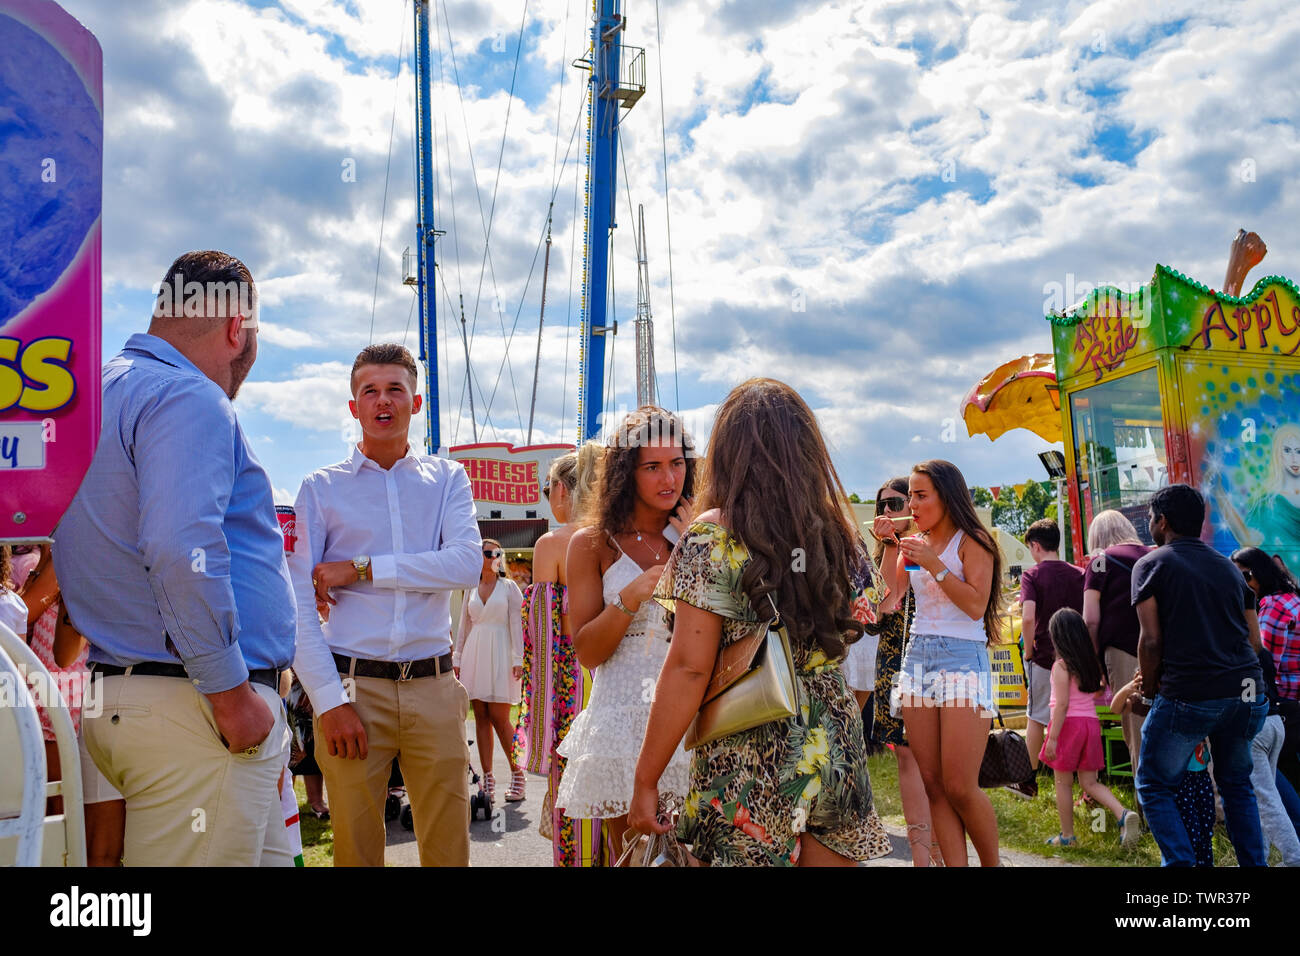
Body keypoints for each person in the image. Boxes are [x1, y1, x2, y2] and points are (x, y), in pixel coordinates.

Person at [53, 250, 295, 867]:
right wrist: (230, 694)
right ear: (237, 328)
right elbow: (179, 546)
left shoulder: (92, 394)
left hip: (130, 696)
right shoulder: (187, 395)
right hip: (194, 710)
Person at [628, 380, 893, 866]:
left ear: (728, 454)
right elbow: (863, 624)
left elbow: (689, 667)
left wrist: (646, 781)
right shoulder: (841, 535)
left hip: (750, 741)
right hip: (833, 734)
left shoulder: (711, 536)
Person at [289, 343, 482, 867]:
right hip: (353, 688)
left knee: (449, 850)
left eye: (395, 388)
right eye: (369, 390)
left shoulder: (447, 480)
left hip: (435, 686)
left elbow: (465, 564)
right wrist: (328, 702)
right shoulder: (320, 489)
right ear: (353, 407)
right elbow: (299, 606)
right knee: (356, 852)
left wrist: (362, 568)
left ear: (415, 402)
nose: (383, 400)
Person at [558, 406, 693, 860]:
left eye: (676, 463)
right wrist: (629, 597)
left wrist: (698, 542)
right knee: (634, 856)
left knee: (699, 852)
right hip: (620, 721)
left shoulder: (703, 533)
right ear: (625, 472)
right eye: (652, 466)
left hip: (692, 715)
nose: (668, 478)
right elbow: (588, 651)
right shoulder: (591, 543)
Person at [1133, 484, 1269, 867]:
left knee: (1154, 784)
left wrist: (1149, 689)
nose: (1149, 523)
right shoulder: (1229, 567)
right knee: (1237, 785)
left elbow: (1151, 640)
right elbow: (1254, 642)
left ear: (1162, 521)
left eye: (1151, 516)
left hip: (1189, 692)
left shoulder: (1152, 564)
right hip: (1247, 691)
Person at [876, 459, 1002, 867]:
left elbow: (974, 606)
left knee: (960, 786)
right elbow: (888, 600)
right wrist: (891, 547)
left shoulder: (973, 540)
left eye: (919, 495)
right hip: (917, 659)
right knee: (933, 785)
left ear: (946, 496)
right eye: (909, 495)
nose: (910, 504)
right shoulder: (914, 541)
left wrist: (934, 563)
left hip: (962, 658)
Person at [519, 446, 605, 865]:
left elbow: (542, 639)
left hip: (571, 685)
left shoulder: (552, 545)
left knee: (572, 793)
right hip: (615, 679)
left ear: (563, 491)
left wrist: (539, 720)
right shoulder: (621, 539)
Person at [863, 477, 940, 866]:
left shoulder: (928, 544)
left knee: (934, 764)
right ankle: (922, 859)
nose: (888, 512)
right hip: (893, 662)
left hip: (931, 659)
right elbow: (879, 612)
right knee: (907, 759)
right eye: (881, 506)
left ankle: (944, 852)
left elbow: (901, 596)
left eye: (896, 503)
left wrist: (897, 545)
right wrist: (888, 548)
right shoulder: (884, 551)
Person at [1037, 610, 1140, 848]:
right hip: (1090, 725)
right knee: (1090, 783)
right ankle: (1122, 814)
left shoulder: (1061, 667)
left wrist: (1052, 738)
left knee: (1063, 783)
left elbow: (1062, 705)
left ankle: (1067, 837)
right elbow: (1096, 693)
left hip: (1067, 727)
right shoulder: (1090, 666)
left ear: (1058, 638)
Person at [1230, 548, 1300, 863]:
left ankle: (1293, 852)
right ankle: (1266, 853)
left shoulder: (1270, 606)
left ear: (1254, 575)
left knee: (1267, 794)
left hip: (1276, 704)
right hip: (1287, 707)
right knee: (1270, 788)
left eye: (1242, 576)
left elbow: (1259, 655)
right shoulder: (1294, 600)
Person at [455, 538, 526, 803]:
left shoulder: (509, 588)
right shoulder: (470, 588)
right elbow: (464, 625)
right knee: (481, 716)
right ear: (479, 556)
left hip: (501, 652)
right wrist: (458, 657)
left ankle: (518, 775)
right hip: (476, 652)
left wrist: (518, 658)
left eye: (498, 552)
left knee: (500, 717)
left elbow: (517, 625)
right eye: (488, 553)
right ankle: (488, 780)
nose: (494, 556)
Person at [1015, 518, 1084, 793]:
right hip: (1076, 656)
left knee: (1037, 716)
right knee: (1073, 715)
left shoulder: (1032, 575)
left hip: (1044, 656)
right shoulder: (1079, 573)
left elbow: (1028, 617)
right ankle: (1083, 778)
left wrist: (1029, 651)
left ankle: (1028, 779)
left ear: (1035, 546)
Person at [1082, 509, 1151, 776]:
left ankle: (1148, 808)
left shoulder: (1100, 560)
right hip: (1166, 651)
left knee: (1137, 730)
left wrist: (1093, 663)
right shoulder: (1152, 554)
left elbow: (1090, 620)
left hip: (1125, 653)